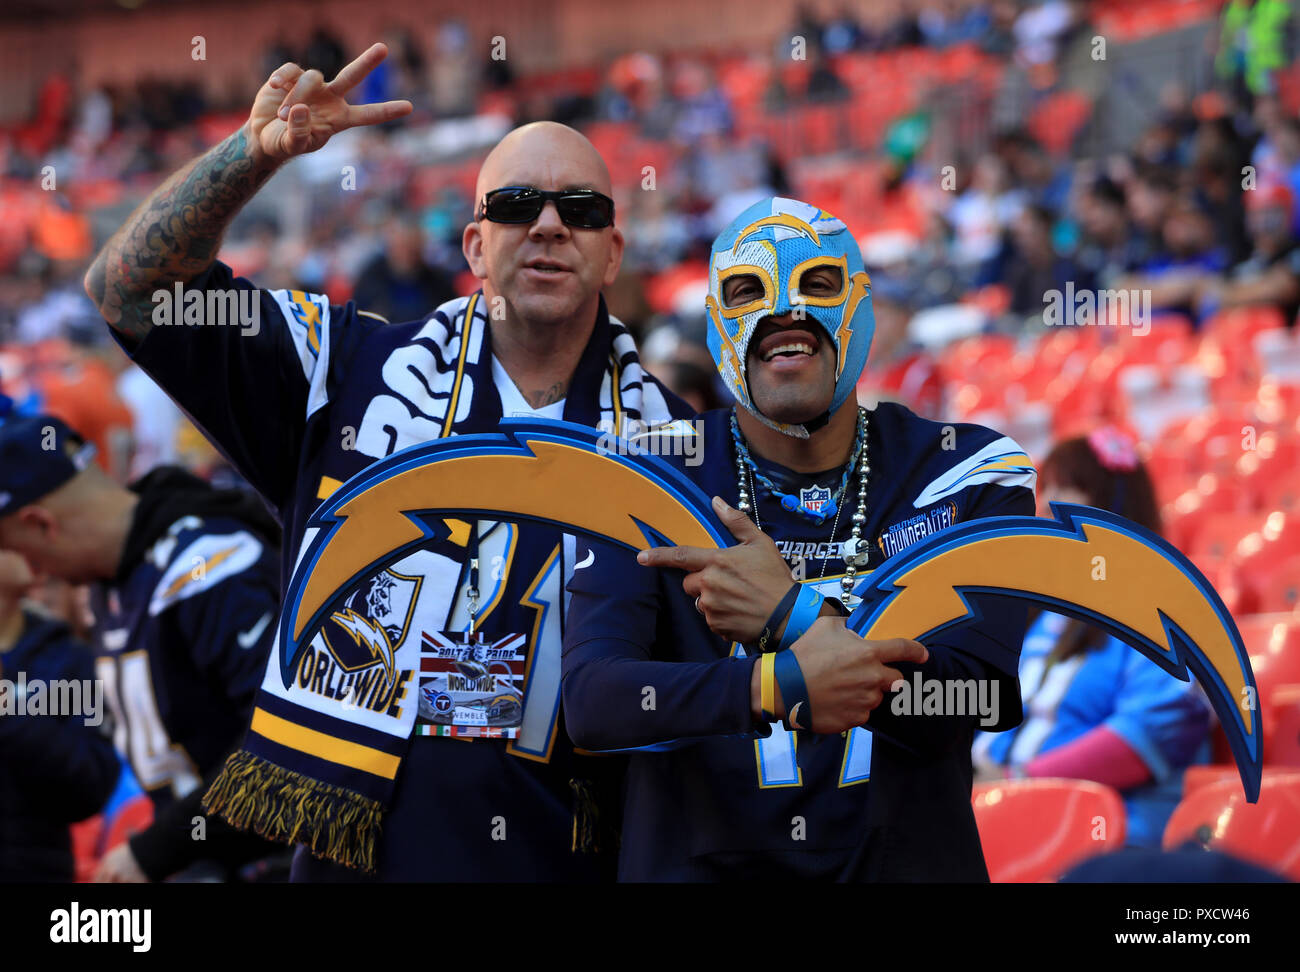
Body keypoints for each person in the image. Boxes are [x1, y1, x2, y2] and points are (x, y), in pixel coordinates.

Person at [82, 43, 691, 881]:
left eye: (580, 209)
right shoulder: (343, 372)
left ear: (613, 254)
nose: (548, 225)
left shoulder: (680, 446)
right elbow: (130, 289)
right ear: (475, 245)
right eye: (518, 205)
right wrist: (251, 156)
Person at [562, 197, 1038, 881]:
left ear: (861, 304)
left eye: (817, 284)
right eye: (748, 291)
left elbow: (978, 697)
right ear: (718, 319)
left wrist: (793, 614)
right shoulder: (644, 472)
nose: (785, 312)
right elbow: (594, 703)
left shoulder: (963, 470)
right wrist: (773, 684)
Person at [0, 406, 283, 881]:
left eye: (27, 554)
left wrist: (154, 851)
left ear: (42, 524)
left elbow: (283, 744)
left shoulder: (207, 567)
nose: (37, 577)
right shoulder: (109, 583)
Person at [972, 427, 1212, 848]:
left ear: (1113, 508)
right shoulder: (1040, 613)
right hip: (996, 815)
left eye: (1068, 489)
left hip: (1107, 836)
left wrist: (1020, 783)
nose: (1045, 504)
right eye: (1046, 488)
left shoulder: (1164, 612)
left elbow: (1150, 731)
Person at [0, 547, 118, 882]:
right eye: (6, 534)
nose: (22, 542)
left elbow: (90, 787)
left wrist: (7, 712)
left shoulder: (69, 658)